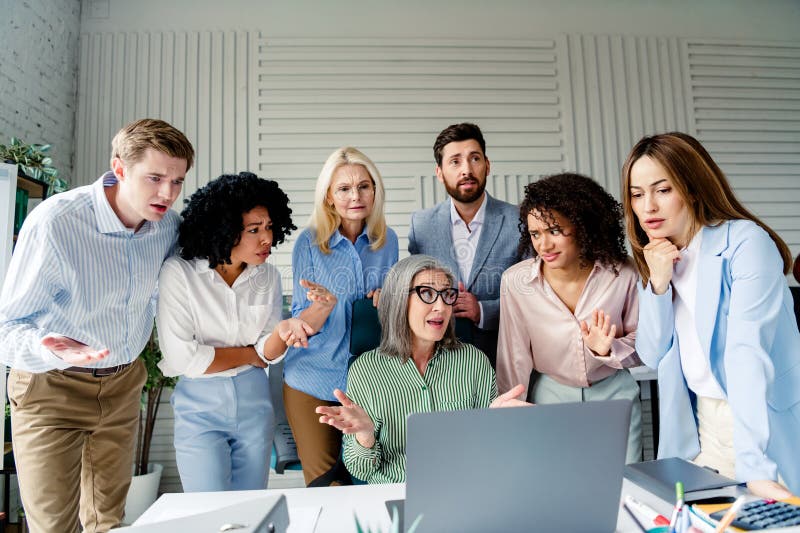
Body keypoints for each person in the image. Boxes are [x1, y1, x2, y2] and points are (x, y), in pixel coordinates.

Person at [0, 119, 194, 532]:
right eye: (155, 178)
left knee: (108, 522)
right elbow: (7, 328)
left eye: (177, 181)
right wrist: (49, 348)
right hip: (50, 388)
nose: (168, 193)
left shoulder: (167, 229)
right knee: (55, 527)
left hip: (123, 385)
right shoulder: (56, 222)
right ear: (119, 168)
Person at [622, 131, 800, 498]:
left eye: (663, 190)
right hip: (702, 427)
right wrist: (657, 285)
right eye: (637, 195)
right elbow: (653, 353)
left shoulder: (746, 243)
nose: (648, 207)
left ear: (693, 187)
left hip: (762, 421)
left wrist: (755, 464)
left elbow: (745, 353)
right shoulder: (660, 257)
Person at [156, 172, 314, 492]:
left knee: (249, 510)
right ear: (224, 230)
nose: (266, 239)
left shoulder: (267, 276)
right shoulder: (180, 273)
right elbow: (183, 358)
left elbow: (269, 351)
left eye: (269, 227)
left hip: (255, 404)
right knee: (207, 511)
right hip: (199, 407)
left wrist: (278, 336)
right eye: (254, 230)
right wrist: (249, 354)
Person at [315, 255, 528, 484]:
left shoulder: (473, 361)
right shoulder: (365, 370)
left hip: (462, 490)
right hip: (395, 494)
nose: (441, 306)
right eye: (426, 293)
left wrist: (498, 427)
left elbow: (491, 456)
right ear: (398, 301)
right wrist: (365, 435)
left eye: (447, 294)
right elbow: (362, 471)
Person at [496, 173, 643, 463]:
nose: (544, 245)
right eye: (535, 234)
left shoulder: (624, 274)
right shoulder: (516, 282)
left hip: (615, 396)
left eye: (554, 230)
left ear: (583, 225)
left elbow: (647, 343)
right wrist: (511, 410)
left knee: (624, 488)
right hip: (548, 399)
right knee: (554, 489)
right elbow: (513, 356)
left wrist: (607, 349)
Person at [283, 146, 399, 486]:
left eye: (364, 186)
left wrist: (386, 301)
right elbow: (301, 323)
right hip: (312, 380)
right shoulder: (309, 242)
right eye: (344, 189)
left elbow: (391, 315)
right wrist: (321, 306)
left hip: (368, 384)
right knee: (326, 487)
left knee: (366, 481)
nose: (355, 196)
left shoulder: (386, 241)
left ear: (375, 191)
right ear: (329, 197)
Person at [408, 122, 519, 367]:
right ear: (439, 172)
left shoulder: (520, 221)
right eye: (455, 161)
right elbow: (416, 297)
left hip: (506, 360)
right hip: (442, 364)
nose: (466, 169)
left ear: (487, 165)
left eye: (474, 159)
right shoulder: (421, 225)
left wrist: (483, 310)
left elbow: (535, 297)